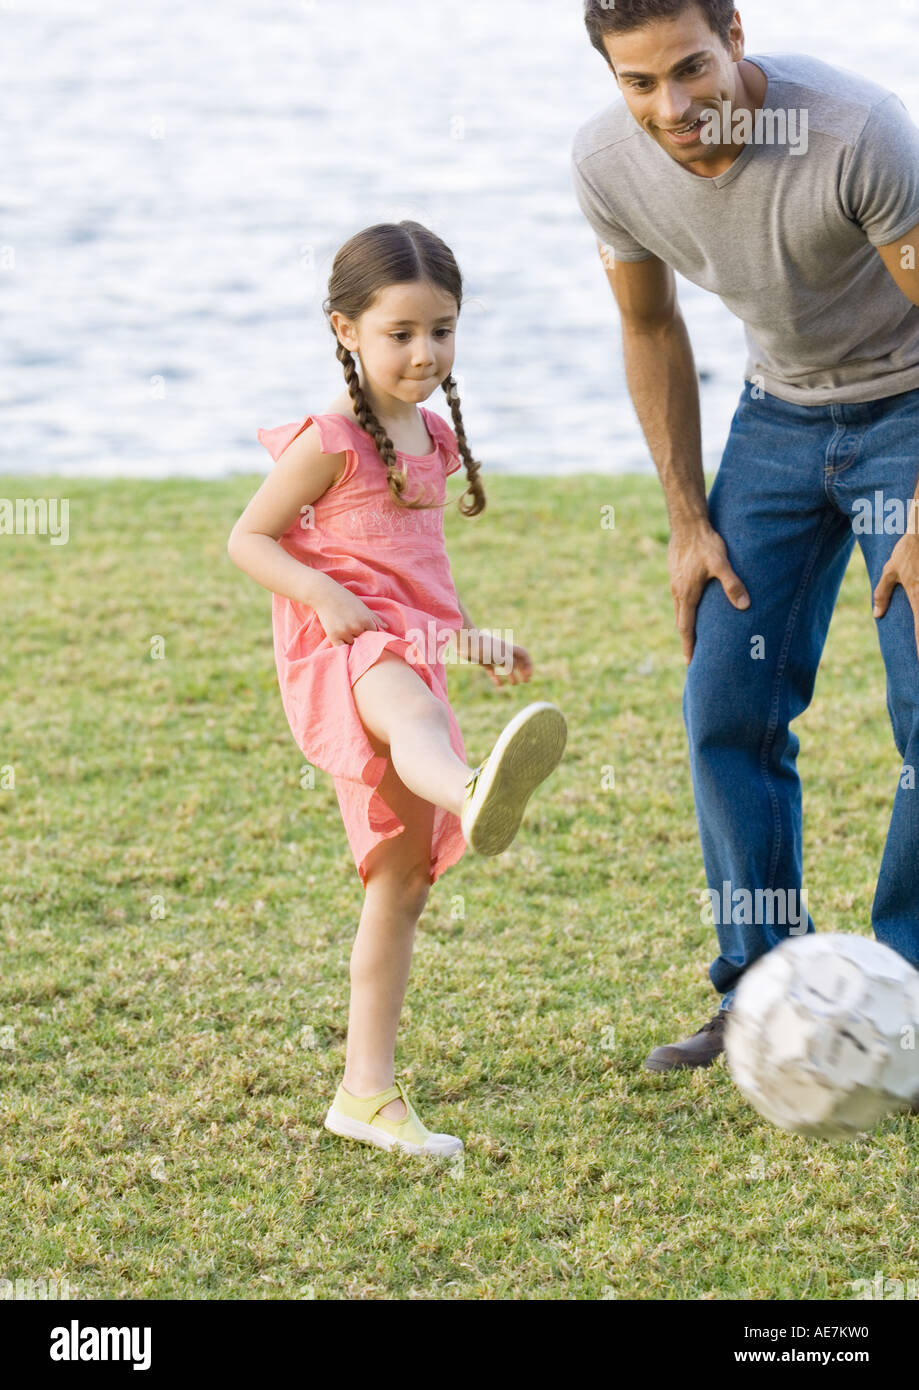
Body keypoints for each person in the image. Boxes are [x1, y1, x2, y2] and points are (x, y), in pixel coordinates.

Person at [571, 0, 919, 1070]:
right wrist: (686, 519)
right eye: (638, 84)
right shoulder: (605, 165)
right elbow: (647, 322)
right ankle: (760, 992)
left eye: (690, 69)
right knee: (726, 697)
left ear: (733, 34)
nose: (671, 108)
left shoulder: (854, 133)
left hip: (908, 408)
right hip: (776, 419)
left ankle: (903, 996)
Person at [227, 221, 567, 1155]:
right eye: (401, 333)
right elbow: (247, 539)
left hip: (409, 645)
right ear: (346, 330)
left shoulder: (433, 440)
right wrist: (321, 590)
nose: (424, 352)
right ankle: (469, 787)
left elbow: (418, 576)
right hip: (345, 649)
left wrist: (474, 640)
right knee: (413, 715)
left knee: (402, 881)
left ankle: (363, 1093)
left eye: (442, 330)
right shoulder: (329, 439)